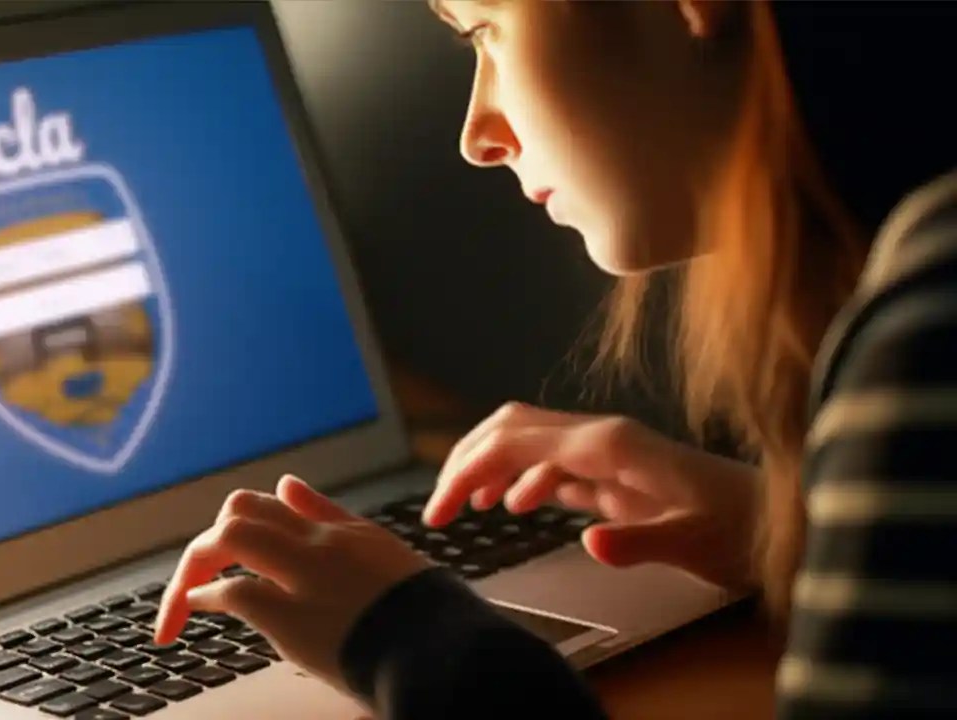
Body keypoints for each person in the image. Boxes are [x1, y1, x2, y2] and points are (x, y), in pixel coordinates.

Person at [153, 1, 957, 717]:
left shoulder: (928, 327)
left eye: (487, 32)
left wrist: (411, 643)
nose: (477, 135)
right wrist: (808, 530)